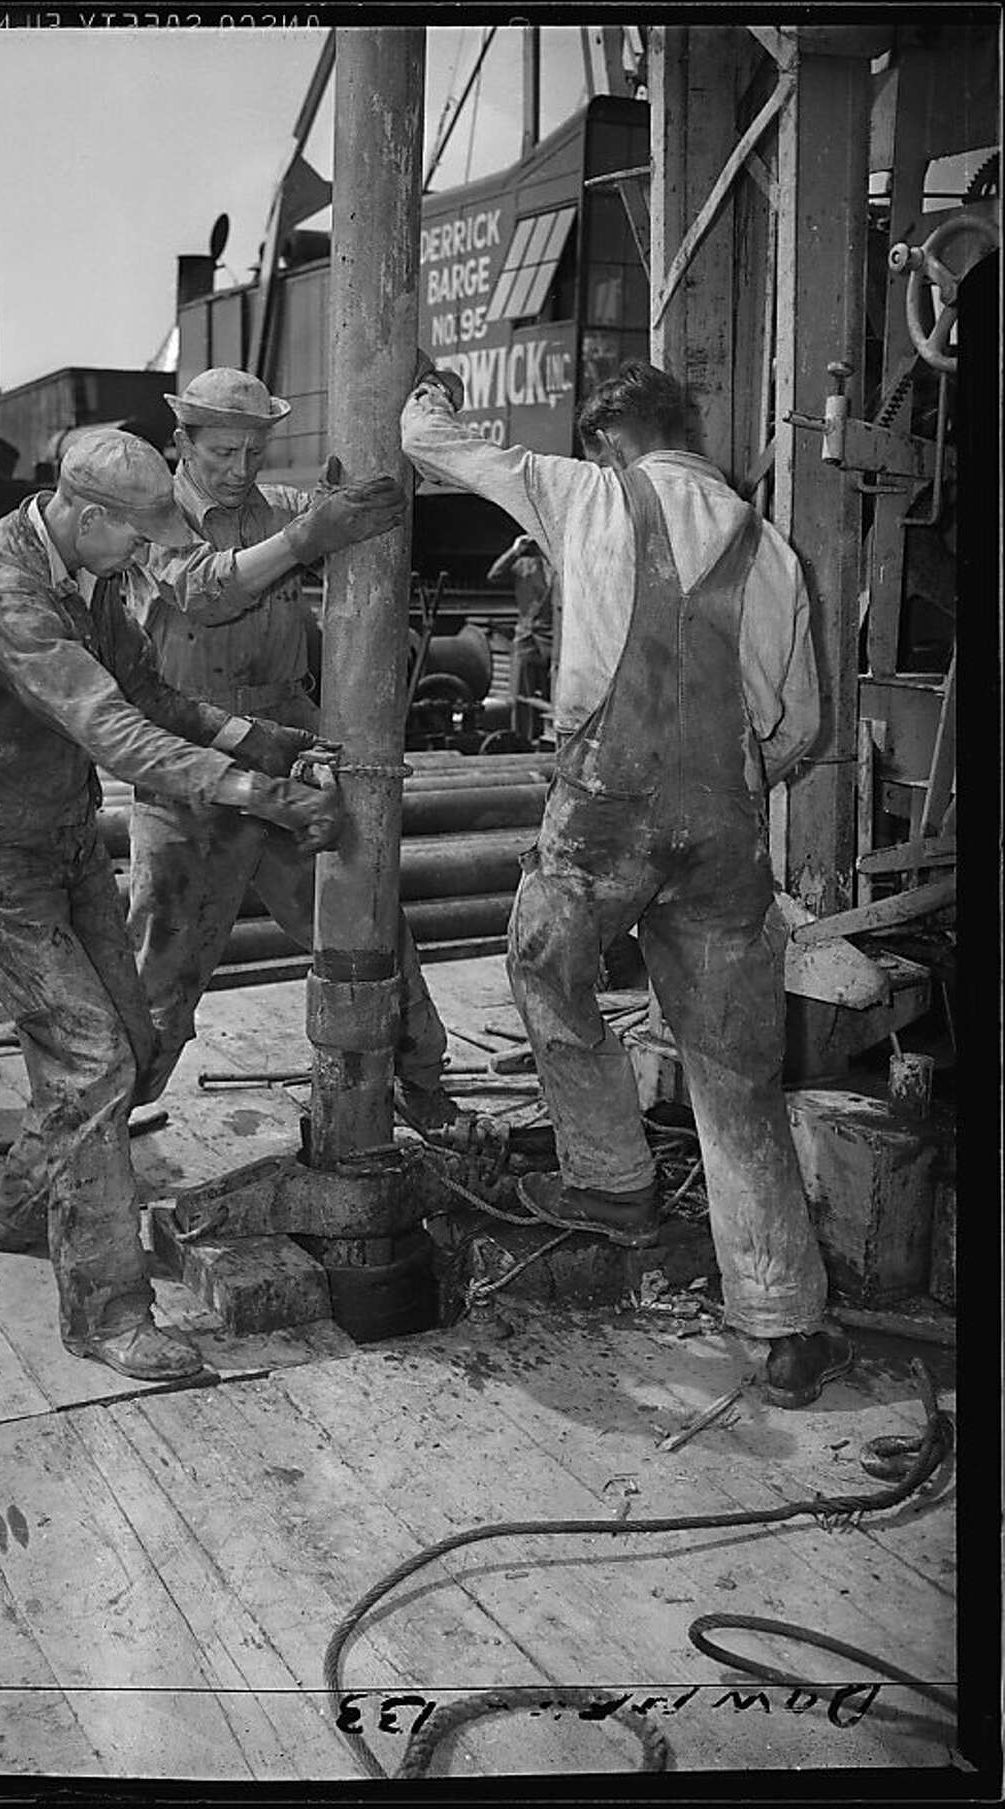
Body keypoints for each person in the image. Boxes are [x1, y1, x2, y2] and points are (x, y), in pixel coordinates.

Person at [400, 360, 852, 1409]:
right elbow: (797, 722)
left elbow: (432, 444)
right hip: (723, 833)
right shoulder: (768, 544)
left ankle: (611, 1178)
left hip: (604, 820)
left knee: (544, 964)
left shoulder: (584, 493)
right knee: (734, 1069)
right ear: (689, 430)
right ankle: (785, 1322)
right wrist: (727, 786)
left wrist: (433, 391)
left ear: (608, 439)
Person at [0, 427, 343, 1383]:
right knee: (93, 1064)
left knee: (130, 1039)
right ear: (86, 517)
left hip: (65, 844)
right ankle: (109, 1314)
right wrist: (255, 793)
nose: (143, 557)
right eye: (134, 538)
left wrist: (261, 741)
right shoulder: (4, 597)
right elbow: (111, 727)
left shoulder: (91, 576)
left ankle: (21, 1207)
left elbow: (149, 691)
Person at [123, 365, 470, 1134]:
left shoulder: (276, 509)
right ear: (181, 442)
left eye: (254, 453)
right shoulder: (149, 520)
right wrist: (308, 537)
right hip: (190, 770)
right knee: (161, 975)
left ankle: (420, 1078)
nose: (240, 470)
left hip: (286, 754)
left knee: (369, 923)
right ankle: (106, 1119)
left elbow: (371, 506)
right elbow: (207, 588)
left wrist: (414, 403)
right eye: (222, 453)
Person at [486, 532, 556, 742]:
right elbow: (494, 575)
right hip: (527, 634)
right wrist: (514, 551)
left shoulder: (560, 565)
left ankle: (551, 734)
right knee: (520, 692)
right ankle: (522, 736)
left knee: (554, 690)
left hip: (554, 635)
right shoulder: (524, 564)